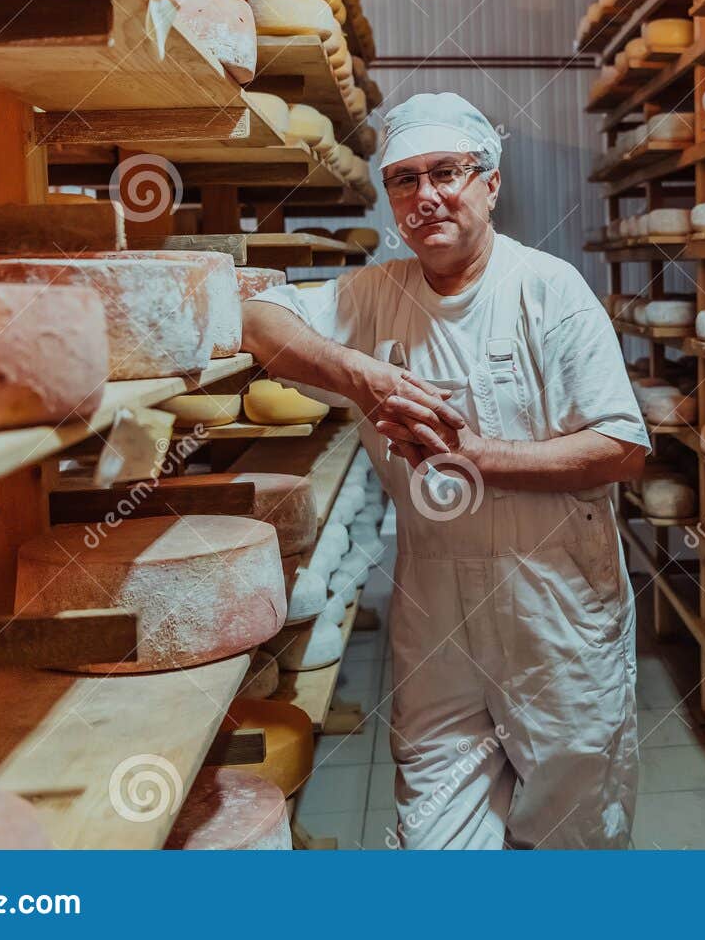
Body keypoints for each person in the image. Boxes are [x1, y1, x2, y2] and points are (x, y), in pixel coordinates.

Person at [242, 92, 649, 849]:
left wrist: (478, 458)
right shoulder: (374, 295)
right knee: (435, 836)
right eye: (404, 179)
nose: (425, 195)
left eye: (446, 173)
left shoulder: (548, 290)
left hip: (554, 601)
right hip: (434, 602)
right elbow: (257, 318)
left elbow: (622, 446)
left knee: (571, 835)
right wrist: (358, 373)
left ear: (490, 184)